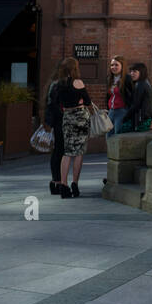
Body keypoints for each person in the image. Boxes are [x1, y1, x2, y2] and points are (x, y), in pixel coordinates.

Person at [54, 57, 92, 199]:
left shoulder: (59, 84)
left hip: (67, 116)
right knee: (79, 152)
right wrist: (80, 100)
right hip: (80, 117)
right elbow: (87, 101)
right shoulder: (78, 82)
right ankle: (74, 184)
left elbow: (57, 102)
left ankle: (63, 185)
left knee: (67, 152)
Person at [43, 60, 67, 196]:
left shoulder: (54, 83)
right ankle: (57, 181)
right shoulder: (57, 84)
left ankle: (56, 181)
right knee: (59, 151)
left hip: (55, 121)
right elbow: (54, 105)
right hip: (59, 122)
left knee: (58, 151)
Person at [119, 62, 152, 133]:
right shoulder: (146, 82)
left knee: (122, 129)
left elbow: (136, 105)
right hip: (146, 118)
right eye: (131, 71)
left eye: (134, 71)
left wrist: (125, 118)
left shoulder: (140, 85)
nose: (132, 74)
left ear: (141, 72)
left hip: (142, 119)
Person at [108, 56, 131, 137]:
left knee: (118, 135)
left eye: (116, 65)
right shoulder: (110, 78)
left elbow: (131, 96)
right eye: (112, 65)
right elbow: (109, 96)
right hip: (111, 111)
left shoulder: (127, 79)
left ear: (122, 66)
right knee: (108, 135)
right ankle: (109, 150)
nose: (113, 67)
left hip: (122, 111)